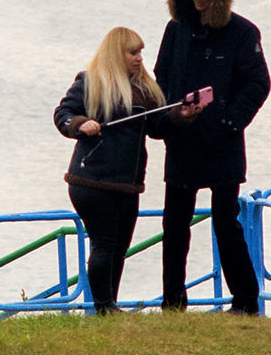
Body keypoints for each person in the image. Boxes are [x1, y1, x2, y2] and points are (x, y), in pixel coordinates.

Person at [53, 27, 199, 312]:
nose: (139, 58)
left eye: (141, 52)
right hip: (91, 180)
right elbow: (63, 114)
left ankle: (109, 306)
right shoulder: (90, 81)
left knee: (119, 247)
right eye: (133, 52)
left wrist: (179, 116)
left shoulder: (145, 88)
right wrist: (81, 124)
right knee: (105, 244)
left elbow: (156, 127)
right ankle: (104, 307)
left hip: (127, 183)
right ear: (116, 54)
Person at [154, 0, 271, 314]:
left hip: (223, 144)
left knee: (225, 224)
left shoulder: (243, 32)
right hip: (182, 140)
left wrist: (228, 122)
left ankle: (246, 301)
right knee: (174, 225)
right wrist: (171, 117)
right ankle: (173, 303)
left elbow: (258, 84)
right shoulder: (176, 30)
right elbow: (160, 78)